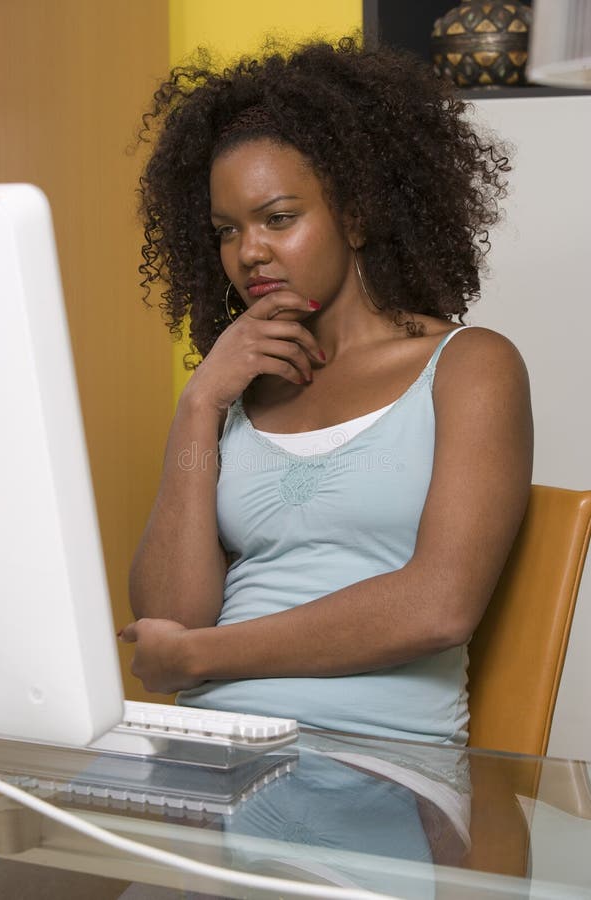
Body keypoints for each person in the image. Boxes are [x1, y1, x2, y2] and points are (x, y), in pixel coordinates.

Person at [121, 36, 533, 747]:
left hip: (379, 759)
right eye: (227, 231)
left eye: (279, 218)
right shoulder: (235, 394)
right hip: (210, 752)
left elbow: (438, 607)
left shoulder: (470, 367)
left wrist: (203, 657)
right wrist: (199, 406)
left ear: (358, 214)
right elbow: (172, 617)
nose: (250, 252)